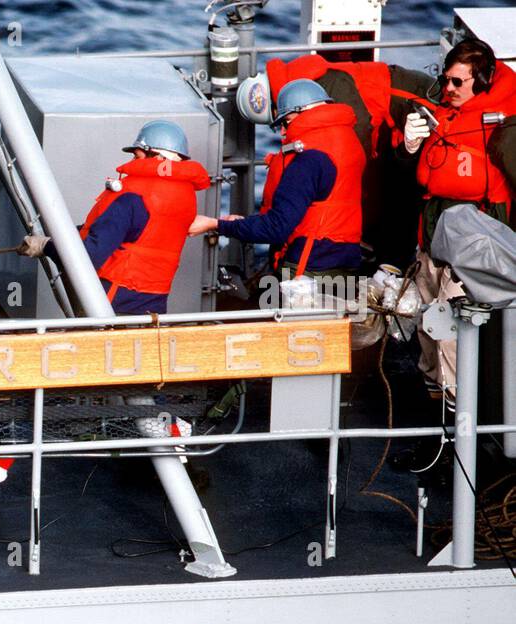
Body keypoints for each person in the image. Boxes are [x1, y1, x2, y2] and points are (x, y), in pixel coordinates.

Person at [0, 120, 211, 510]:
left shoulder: (133, 196)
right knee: (137, 388)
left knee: (49, 385)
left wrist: (48, 247)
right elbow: (127, 237)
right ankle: (179, 451)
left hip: (109, 302)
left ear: (150, 154)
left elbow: (88, 255)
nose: (133, 159)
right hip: (151, 303)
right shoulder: (185, 196)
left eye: (137, 152)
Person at [400, 38, 516, 401]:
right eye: (446, 80)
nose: (447, 89)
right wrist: (409, 147)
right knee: (425, 326)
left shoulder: (502, 124)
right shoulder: (442, 114)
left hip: (469, 248)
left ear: (480, 82)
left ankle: (456, 423)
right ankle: (434, 416)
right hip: (432, 241)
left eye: (457, 83)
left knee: (450, 334)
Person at [237, 55, 434, 267]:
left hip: (415, 105)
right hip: (386, 123)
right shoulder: (300, 83)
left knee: (395, 190)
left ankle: (395, 265)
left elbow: (359, 137)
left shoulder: (330, 85)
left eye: (282, 121)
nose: (284, 130)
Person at [191, 79, 365, 284]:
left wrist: (216, 224)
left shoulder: (309, 158)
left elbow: (276, 228)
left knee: (280, 308)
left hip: (309, 270)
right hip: (347, 263)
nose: (283, 131)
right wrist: (244, 223)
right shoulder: (347, 139)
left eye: (286, 121)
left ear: (303, 111)